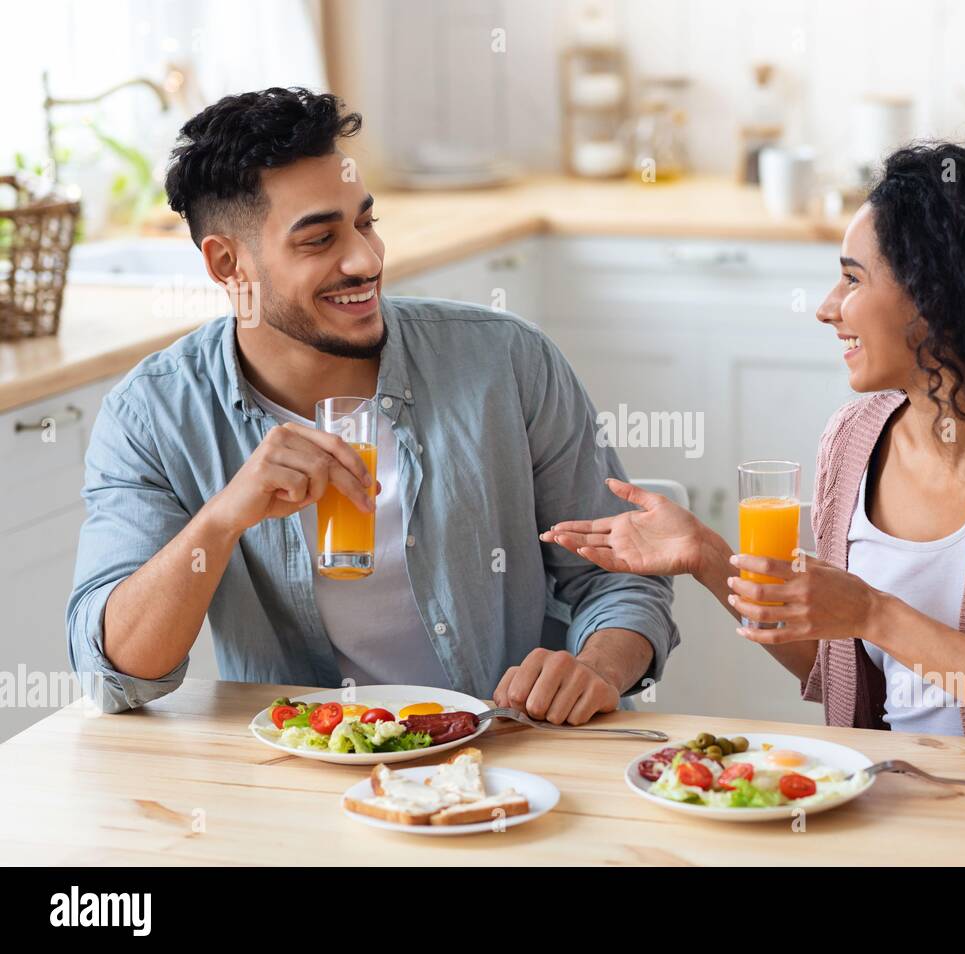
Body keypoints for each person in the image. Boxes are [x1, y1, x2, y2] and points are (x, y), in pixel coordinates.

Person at [543, 142, 965, 761]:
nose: (826, 306)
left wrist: (875, 612)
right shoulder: (854, 439)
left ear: (937, 298)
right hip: (899, 804)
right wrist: (704, 553)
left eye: (852, 279)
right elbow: (838, 668)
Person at [67, 87, 678, 723]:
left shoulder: (506, 360)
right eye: (319, 239)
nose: (366, 259)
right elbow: (117, 678)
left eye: (365, 222)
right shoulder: (153, 416)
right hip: (305, 775)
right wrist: (221, 521)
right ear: (227, 264)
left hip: (515, 753)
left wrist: (597, 669)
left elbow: (620, 576)